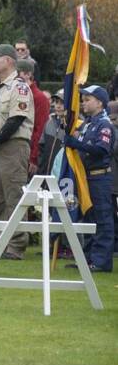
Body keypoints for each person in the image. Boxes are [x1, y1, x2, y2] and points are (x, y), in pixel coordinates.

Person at [0, 43, 35, 260]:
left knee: (13, 196)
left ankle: (16, 245)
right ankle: (4, 241)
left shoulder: (19, 87)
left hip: (12, 146)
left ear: (9, 61)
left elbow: (16, 119)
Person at [64, 86, 113, 272]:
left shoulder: (104, 124)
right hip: (87, 178)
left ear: (99, 102)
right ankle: (88, 258)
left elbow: (102, 149)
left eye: (87, 99)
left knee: (101, 219)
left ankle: (101, 261)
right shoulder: (88, 124)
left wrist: (77, 144)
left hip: (99, 177)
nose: (83, 102)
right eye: (83, 99)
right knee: (89, 217)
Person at [18, 59, 50, 174]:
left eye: (17, 73)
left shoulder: (39, 98)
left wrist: (34, 158)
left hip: (28, 155)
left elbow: (40, 129)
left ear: (28, 74)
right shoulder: (18, 92)